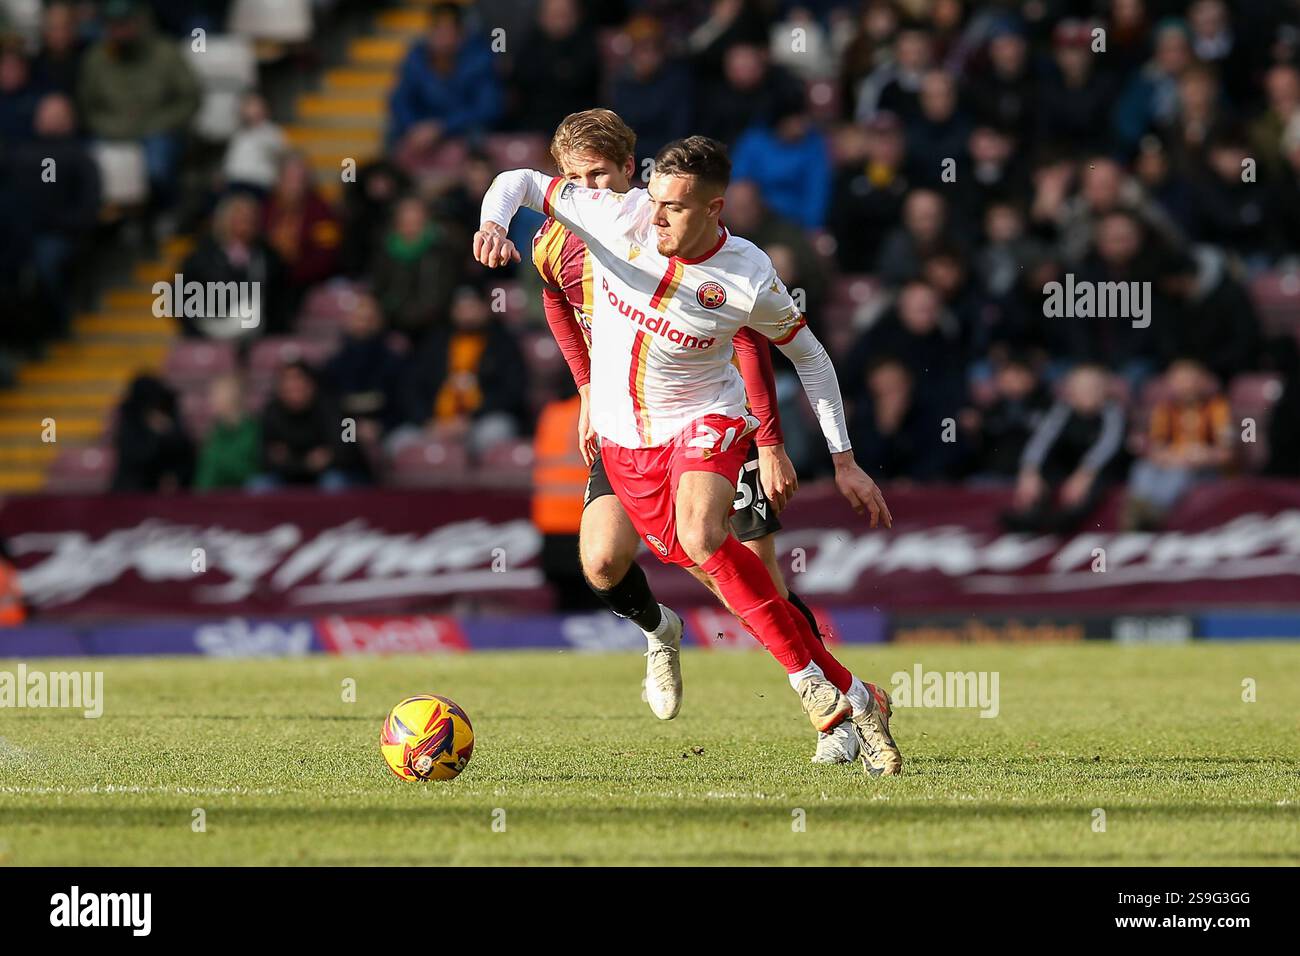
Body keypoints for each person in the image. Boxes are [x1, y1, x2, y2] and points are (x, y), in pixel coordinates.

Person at [475, 134, 901, 777]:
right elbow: (520, 184)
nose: (656, 216)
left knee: (712, 540)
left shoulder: (747, 273)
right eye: (655, 201)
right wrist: (491, 222)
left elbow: (803, 356)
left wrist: (828, 454)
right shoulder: (610, 217)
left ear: (714, 209)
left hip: (710, 420)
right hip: (627, 437)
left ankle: (822, 702)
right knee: (639, 564)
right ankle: (844, 691)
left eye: (673, 206)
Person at [1003, 365, 1126, 534]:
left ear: (1104, 390)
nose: (1085, 393)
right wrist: (1028, 471)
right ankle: (1032, 515)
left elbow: (1107, 447)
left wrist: (1084, 474)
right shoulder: (1062, 410)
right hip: (1069, 467)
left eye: (1091, 388)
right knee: (1045, 472)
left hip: (1100, 470)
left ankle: (1065, 522)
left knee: (1095, 485)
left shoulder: (1113, 413)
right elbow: (1041, 440)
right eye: (1079, 388)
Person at [1124, 359, 1232, 529]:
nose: (1184, 386)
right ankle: (1139, 509)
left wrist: (1206, 455)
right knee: (1142, 468)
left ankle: (1153, 514)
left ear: (1202, 381)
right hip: (1173, 461)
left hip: (1203, 469)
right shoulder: (1164, 410)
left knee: (1179, 472)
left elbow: (1228, 453)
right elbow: (1156, 446)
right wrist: (1166, 456)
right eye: (1178, 380)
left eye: (1189, 379)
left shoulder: (1218, 408)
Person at [251, 361, 365, 491]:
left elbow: (349, 449)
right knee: (259, 485)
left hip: (333, 473)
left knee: (333, 482)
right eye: (288, 387)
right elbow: (264, 455)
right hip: (289, 476)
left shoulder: (337, 409)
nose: (293, 391)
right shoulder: (270, 412)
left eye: (298, 385)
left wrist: (330, 456)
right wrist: (303, 463)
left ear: (311, 384)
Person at [110, 374, 195, 493]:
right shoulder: (130, 419)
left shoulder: (171, 418)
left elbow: (185, 456)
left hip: (168, 497)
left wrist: (176, 476)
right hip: (133, 495)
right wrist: (155, 434)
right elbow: (134, 456)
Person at [194, 374, 261, 491]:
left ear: (231, 398)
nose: (211, 400)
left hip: (242, 495)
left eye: (215, 395)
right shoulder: (216, 430)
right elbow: (205, 473)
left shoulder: (251, 429)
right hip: (211, 498)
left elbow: (247, 469)